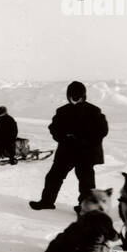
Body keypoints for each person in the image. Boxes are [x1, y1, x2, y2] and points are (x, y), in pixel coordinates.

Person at [30, 81, 109, 210]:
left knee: (86, 183)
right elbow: (53, 128)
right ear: (68, 96)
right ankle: (46, 202)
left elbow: (102, 131)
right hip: (67, 152)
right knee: (53, 177)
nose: (75, 99)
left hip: (85, 153)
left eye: (78, 96)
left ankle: (86, 208)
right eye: (73, 96)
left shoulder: (94, 111)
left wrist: (83, 139)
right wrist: (64, 137)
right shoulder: (62, 111)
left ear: (83, 96)